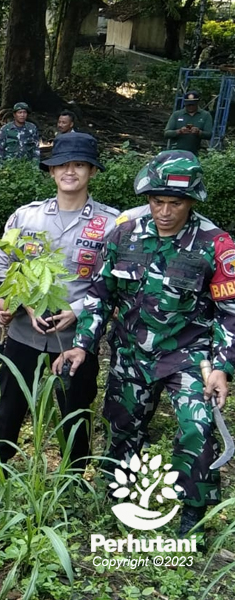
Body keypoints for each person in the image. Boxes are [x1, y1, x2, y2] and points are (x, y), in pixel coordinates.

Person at [54, 150, 235, 537]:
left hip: (189, 356)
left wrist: (222, 366)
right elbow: (100, 296)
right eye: (157, 201)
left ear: (192, 201)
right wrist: (82, 344)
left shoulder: (215, 244)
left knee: (196, 428)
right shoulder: (124, 234)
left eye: (176, 202)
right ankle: (118, 498)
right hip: (131, 352)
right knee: (121, 428)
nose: (165, 211)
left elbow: (230, 312)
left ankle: (194, 514)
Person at [0, 132, 119, 472]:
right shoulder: (27, 217)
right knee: (10, 406)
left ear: (92, 171)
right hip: (24, 334)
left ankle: (73, 479)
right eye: (62, 164)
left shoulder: (110, 224)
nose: (70, 171)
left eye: (79, 164)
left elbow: (113, 283)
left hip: (76, 339)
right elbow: (5, 265)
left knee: (74, 410)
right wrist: (23, 304)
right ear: (51, 171)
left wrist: (76, 311)